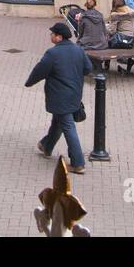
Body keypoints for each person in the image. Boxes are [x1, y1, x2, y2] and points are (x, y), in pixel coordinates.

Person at [25, 21, 92, 174]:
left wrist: (29, 83)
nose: (50, 36)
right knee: (58, 122)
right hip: (74, 94)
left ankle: (78, 163)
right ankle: (46, 146)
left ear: (59, 37)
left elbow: (40, 70)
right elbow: (88, 68)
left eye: (52, 34)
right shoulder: (78, 50)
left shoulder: (52, 53)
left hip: (60, 96)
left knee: (67, 126)